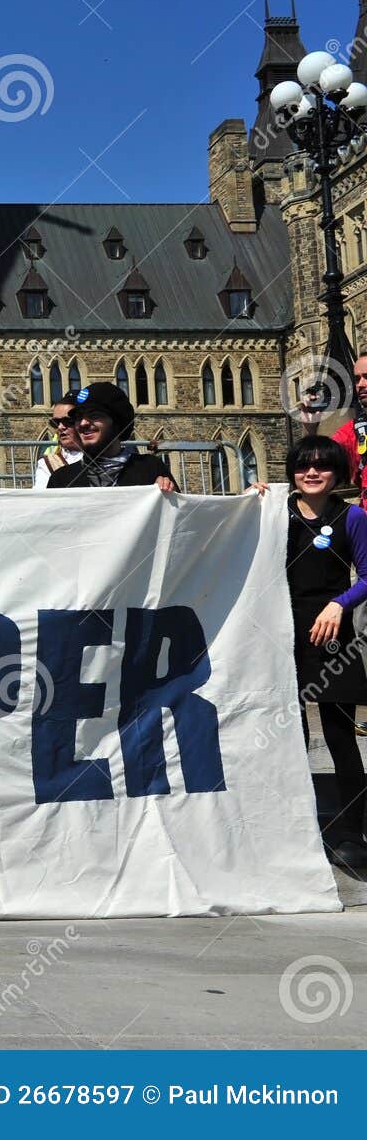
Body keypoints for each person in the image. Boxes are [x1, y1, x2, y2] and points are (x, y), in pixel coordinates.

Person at [249, 437, 367, 872]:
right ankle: (292, 825)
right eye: (303, 466)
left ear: (337, 473)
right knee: (288, 733)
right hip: (282, 629)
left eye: (321, 466)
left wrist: (340, 604)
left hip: (330, 629)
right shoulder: (275, 511)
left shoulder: (351, 517)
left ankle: (352, 830)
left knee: (339, 735)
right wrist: (249, 498)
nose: (311, 473)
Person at [46, 382, 176, 491]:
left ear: (117, 422)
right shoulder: (61, 480)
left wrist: (167, 493)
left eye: (94, 415)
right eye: (78, 417)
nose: (83, 423)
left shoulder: (150, 469)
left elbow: (177, 517)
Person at [329, 353, 367, 495]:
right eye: (357, 379)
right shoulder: (356, 429)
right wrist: (310, 425)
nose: (361, 384)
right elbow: (321, 455)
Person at [32, 397, 84, 490]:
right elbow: (39, 499)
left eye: (67, 421)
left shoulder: (106, 457)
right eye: (55, 422)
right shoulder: (48, 464)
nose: (60, 427)